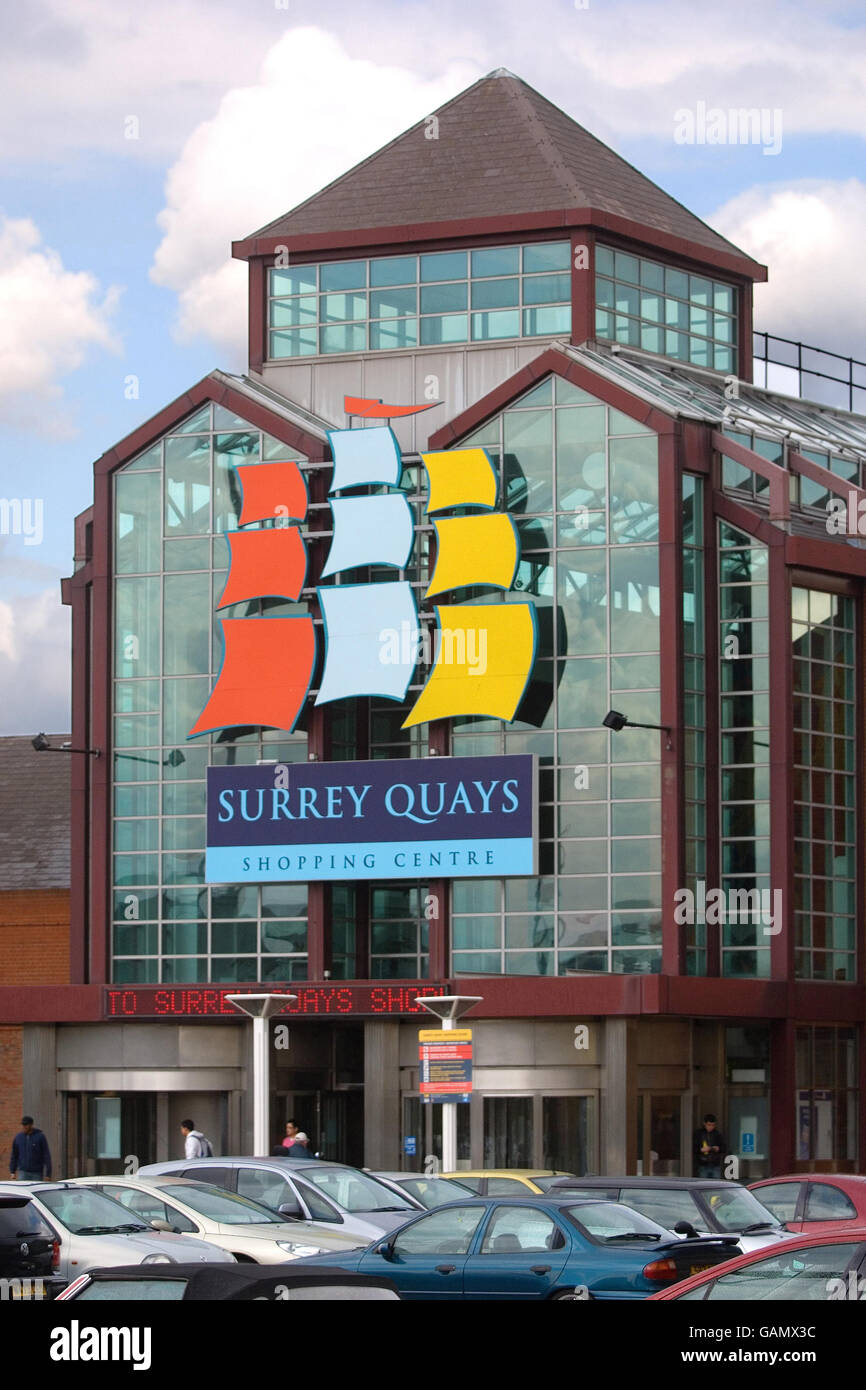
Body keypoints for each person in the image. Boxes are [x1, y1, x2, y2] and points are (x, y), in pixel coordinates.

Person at [10, 1116, 52, 1180]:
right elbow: (14, 1155)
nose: (24, 1126)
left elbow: (46, 1155)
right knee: (22, 1189)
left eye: (26, 1125)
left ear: (31, 1125)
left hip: (37, 1173)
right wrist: (12, 1171)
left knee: (37, 1189)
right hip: (23, 1172)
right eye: (23, 1124)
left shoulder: (40, 1137)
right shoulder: (18, 1138)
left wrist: (48, 1173)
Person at [694, 1113, 726, 1178]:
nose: (711, 1127)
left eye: (713, 1125)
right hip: (703, 1164)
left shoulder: (717, 1134)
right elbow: (693, 1148)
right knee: (703, 1186)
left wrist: (718, 1148)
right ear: (704, 1124)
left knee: (716, 1185)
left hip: (715, 1164)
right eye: (709, 1125)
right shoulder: (698, 1134)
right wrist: (701, 1150)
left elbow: (724, 1148)